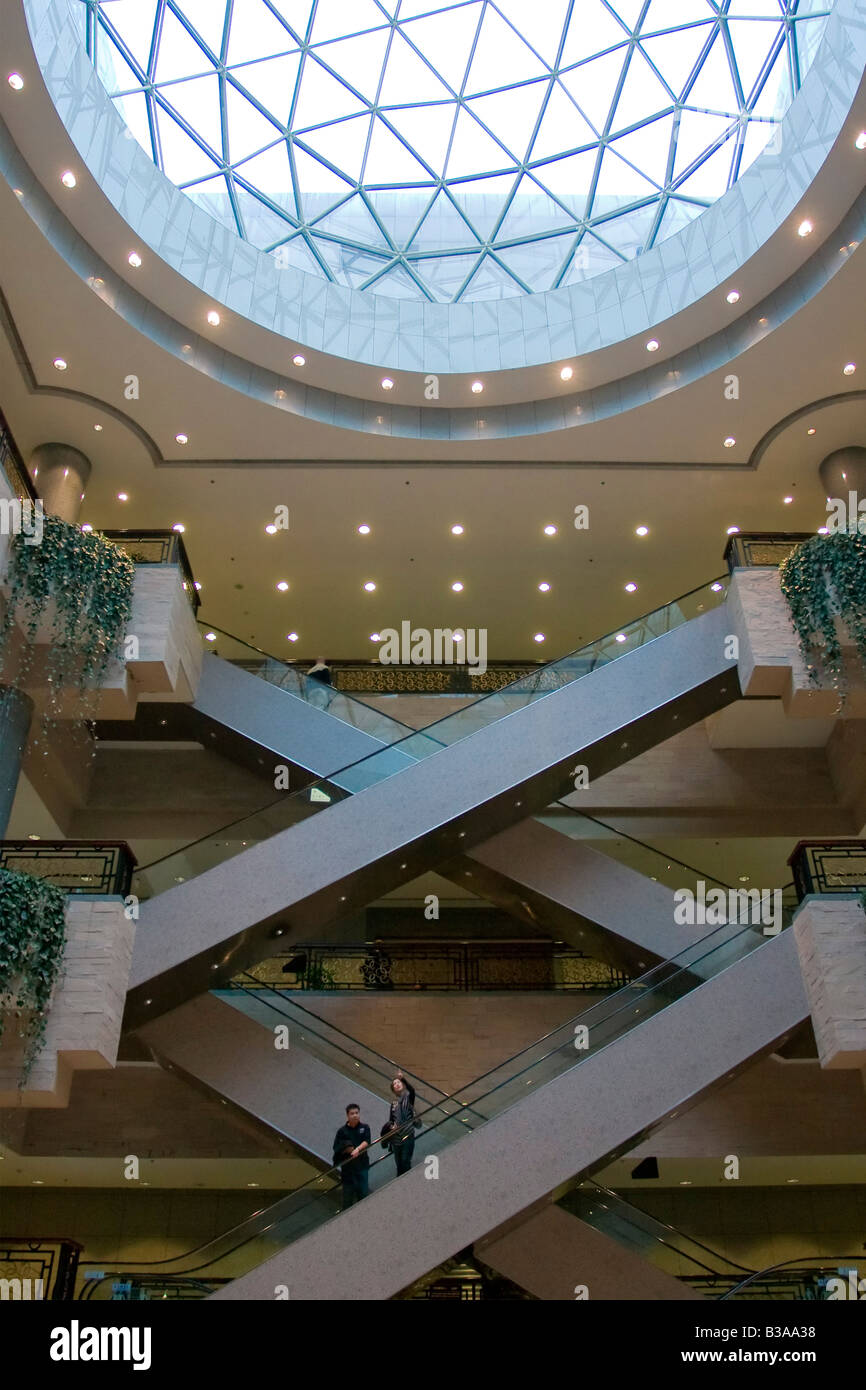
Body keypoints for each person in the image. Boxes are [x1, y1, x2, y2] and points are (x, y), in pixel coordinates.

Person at [332, 1103, 371, 1210]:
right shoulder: (342, 1131)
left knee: (363, 1195)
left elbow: (367, 1141)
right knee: (347, 1199)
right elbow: (336, 1147)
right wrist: (346, 1149)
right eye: (352, 1113)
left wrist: (357, 1149)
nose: (355, 1115)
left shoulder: (365, 1127)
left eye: (357, 1113)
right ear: (347, 1116)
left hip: (362, 1166)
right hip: (347, 1169)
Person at [382, 1071, 417, 1176]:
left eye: (398, 1082)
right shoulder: (393, 1104)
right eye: (394, 1084)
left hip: (408, 1134)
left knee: (406, 1160)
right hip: (396, 1138)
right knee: (399, 1163)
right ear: (393, 1090)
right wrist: (391, 1130)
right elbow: (391, 1120)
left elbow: (412, 1090)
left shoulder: (408, 1098)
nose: (396, 1084)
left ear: (402, 1084)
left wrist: (403, 1078)